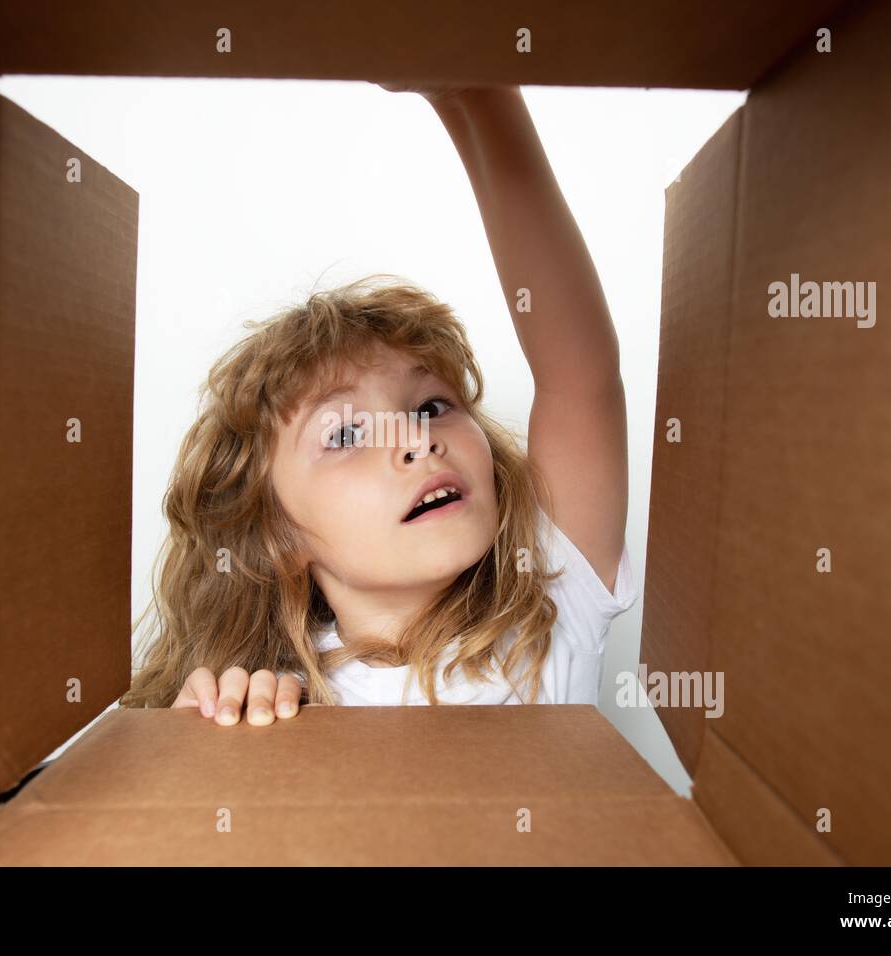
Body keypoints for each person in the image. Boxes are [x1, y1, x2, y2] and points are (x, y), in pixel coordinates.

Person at [118, 84, 636, 723]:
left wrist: (479, 96)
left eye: (432, 406)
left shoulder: (553, 607)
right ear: (276, 536)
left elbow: (579, 377)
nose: (417, 439)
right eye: (344, 434)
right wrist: (199, 742)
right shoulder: (274, 702)